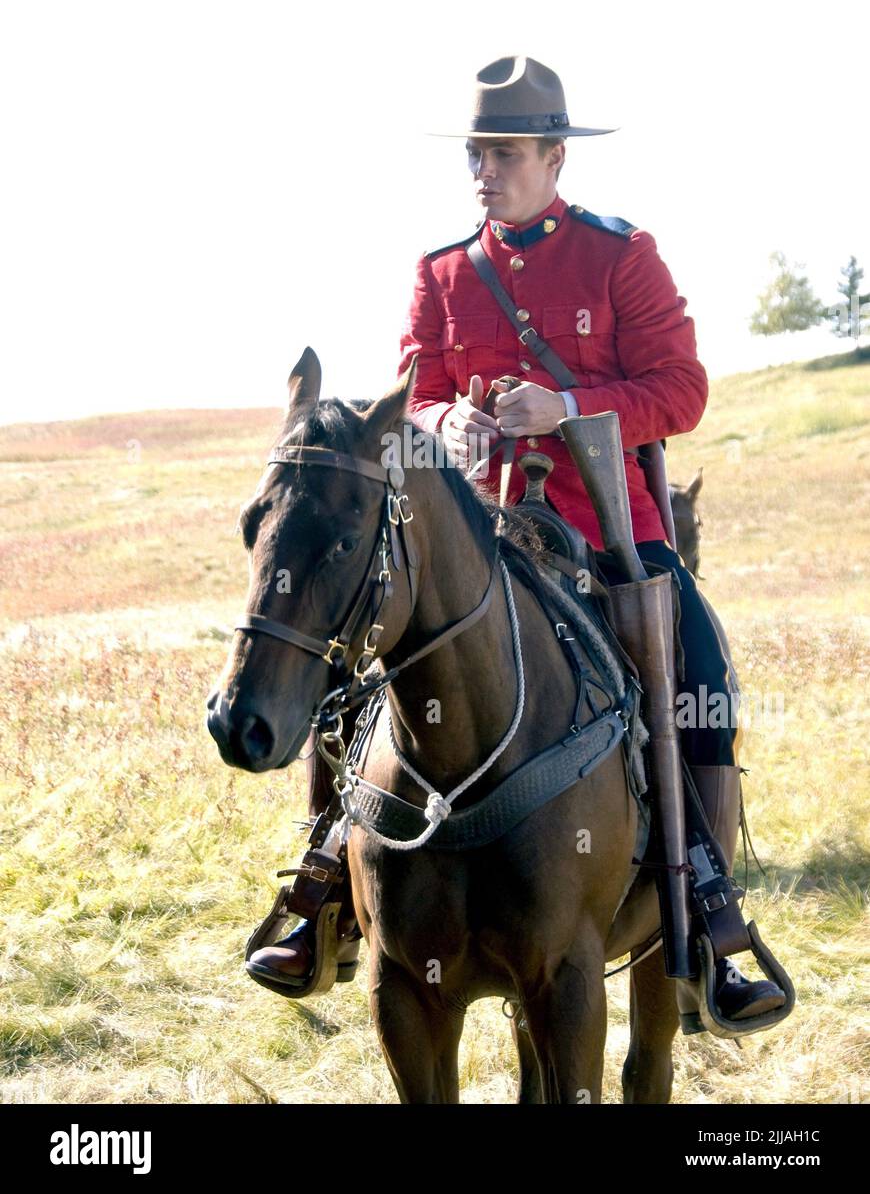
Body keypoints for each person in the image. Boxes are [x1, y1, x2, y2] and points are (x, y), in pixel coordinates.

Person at [249, 56, 787, 1033]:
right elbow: (419, 392)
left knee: (697, 674)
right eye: (473, 153)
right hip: (475, 543)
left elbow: (682, 391)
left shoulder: (622, 257)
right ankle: (323, 885)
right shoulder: (443, 274)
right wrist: (448, 422)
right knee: (344, 658)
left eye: (500, 153)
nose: (482, 170)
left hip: (607, 534)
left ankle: (707, 911)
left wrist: (568, 406)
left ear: (551, 155)